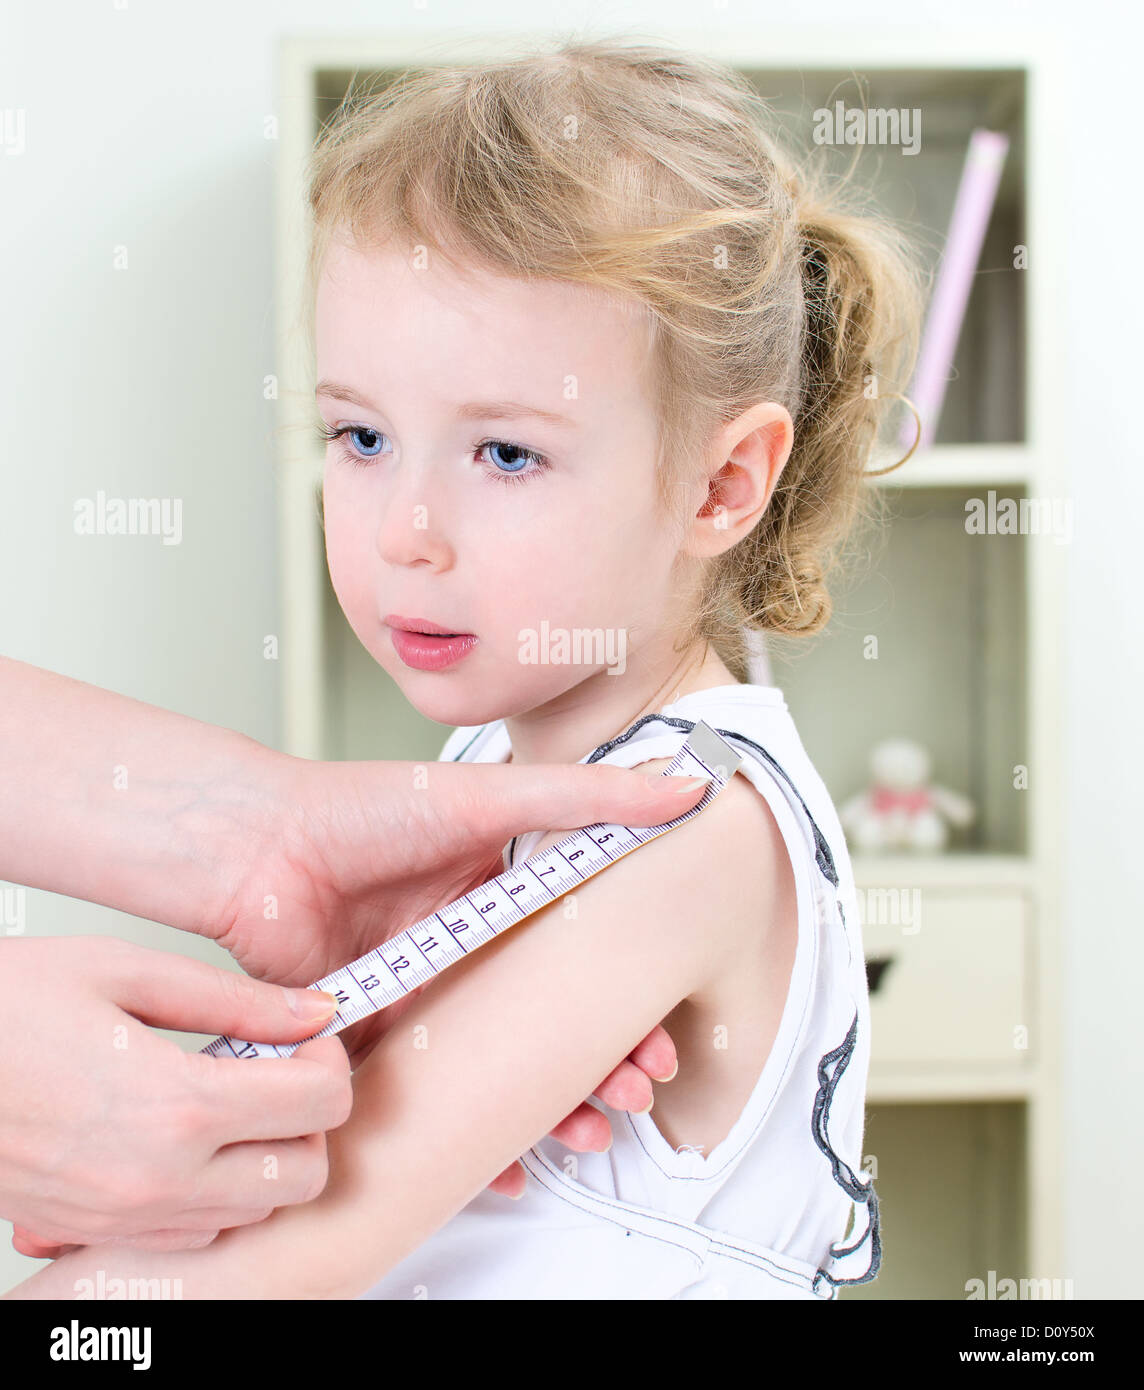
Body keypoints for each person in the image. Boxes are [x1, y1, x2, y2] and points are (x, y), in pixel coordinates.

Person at [6, 35, 924, 1300]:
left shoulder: (689, 825)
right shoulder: (503, 757)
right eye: (361, 434)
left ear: (721, 484)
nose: (403, 533)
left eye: (503, 454)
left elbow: (293, 1246)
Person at [0, 655, 706, 1259]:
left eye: (514, 480)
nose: (404, 535)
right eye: (362, 480)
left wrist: (266, 841)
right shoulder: (492, 743)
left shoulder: (712, 828)